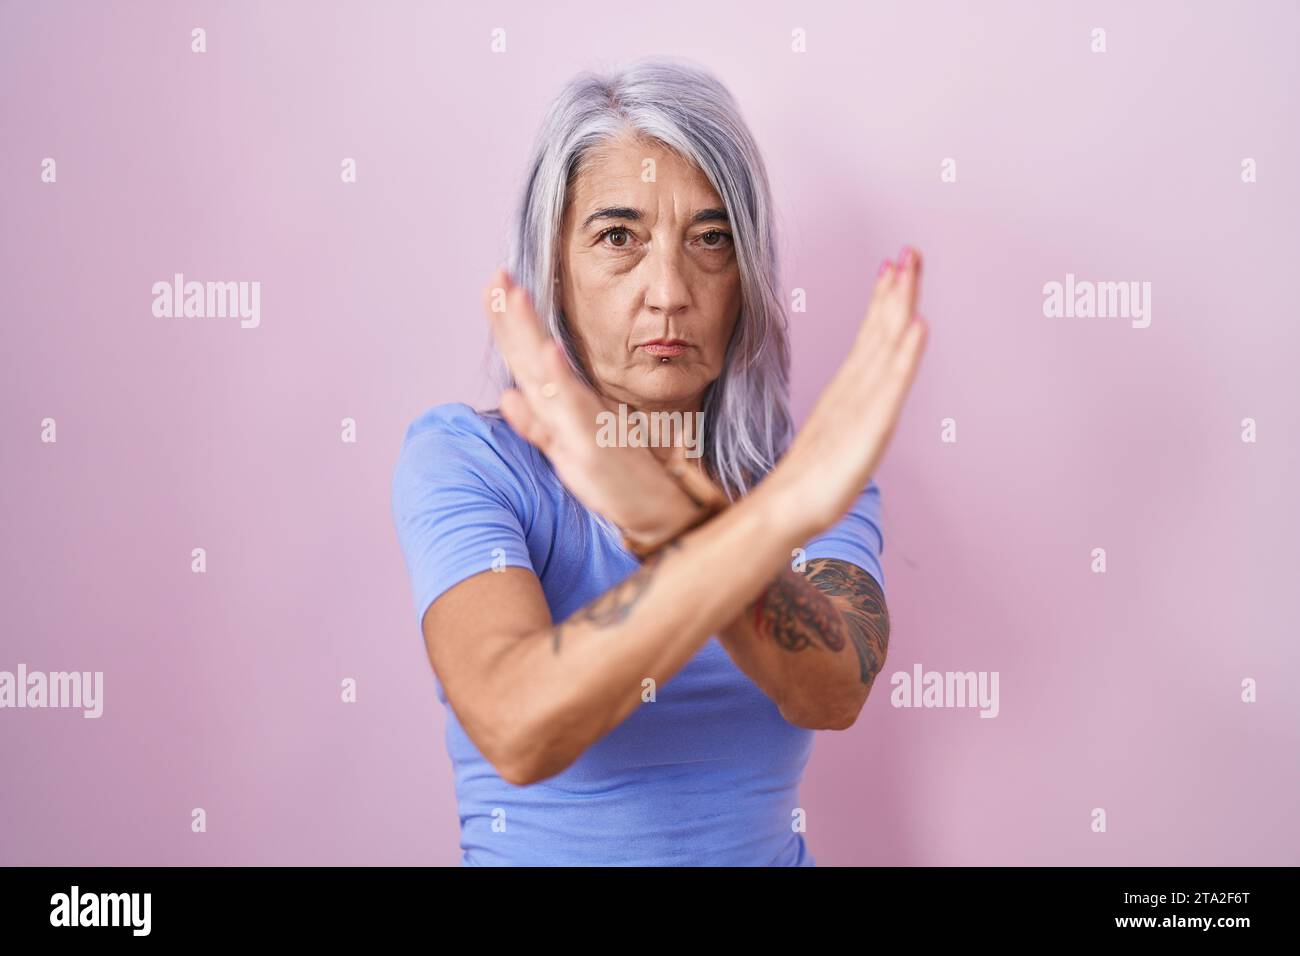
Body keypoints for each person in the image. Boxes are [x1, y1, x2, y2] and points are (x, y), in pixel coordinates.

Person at [391, 56, 928, 866]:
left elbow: (833, 688)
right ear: (556, 269)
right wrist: (767, 522)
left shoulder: (809, 472)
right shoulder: (467, 460)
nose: (670, 290)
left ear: (746, 275)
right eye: (618, 238)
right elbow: (516, 725)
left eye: (710, 240)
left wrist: (677, 522)